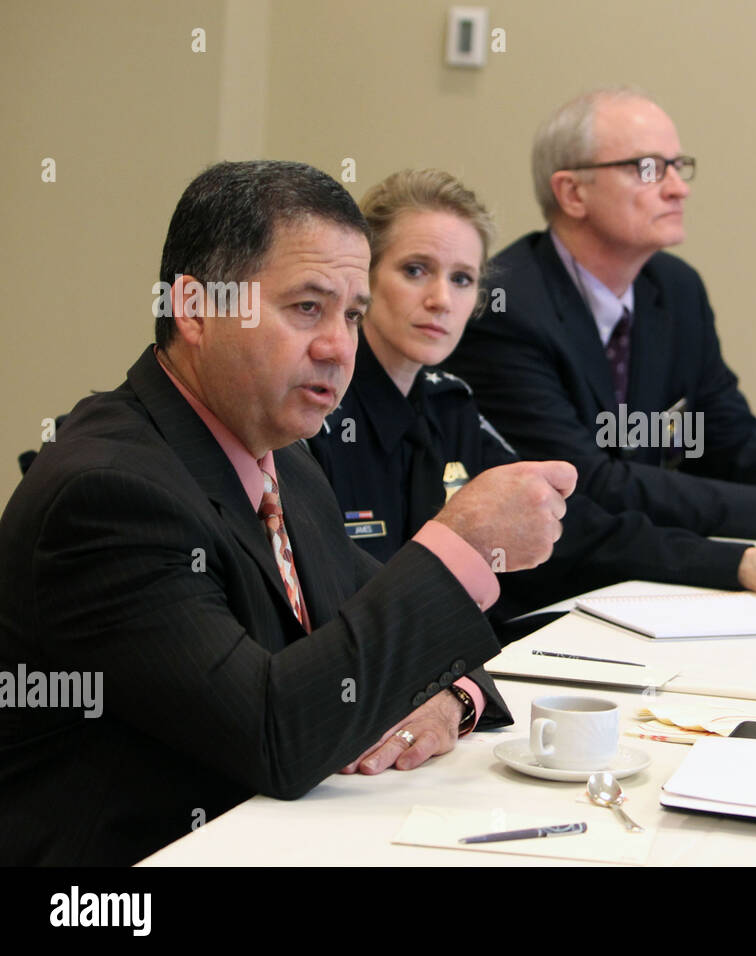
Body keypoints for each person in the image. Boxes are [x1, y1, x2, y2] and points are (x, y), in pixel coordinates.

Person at [0, 160, 575, 865]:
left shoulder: (284, 457)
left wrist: (450, 696)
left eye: (353, 314)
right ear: (194, 308)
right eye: (307, 308)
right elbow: (274, 736)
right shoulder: (107, 496)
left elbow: (384, 625)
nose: (339, 349)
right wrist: (460, 546)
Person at [307, 169, 756, 635]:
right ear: (367, 279)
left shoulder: (449, 405)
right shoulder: (318, 418)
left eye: (463, 278)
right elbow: (340, 613)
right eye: (416, 270)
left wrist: (738, 564)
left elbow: (576, 529)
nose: (442, 299)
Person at [444, 88, 756, 543]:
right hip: (543, 587)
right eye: (647, 169)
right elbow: (588, 481)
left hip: (647, 569)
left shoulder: (675, 288)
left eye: (677, 166)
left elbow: (727, 438)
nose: (677, 188)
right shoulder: (505, 306)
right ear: (572, 193)